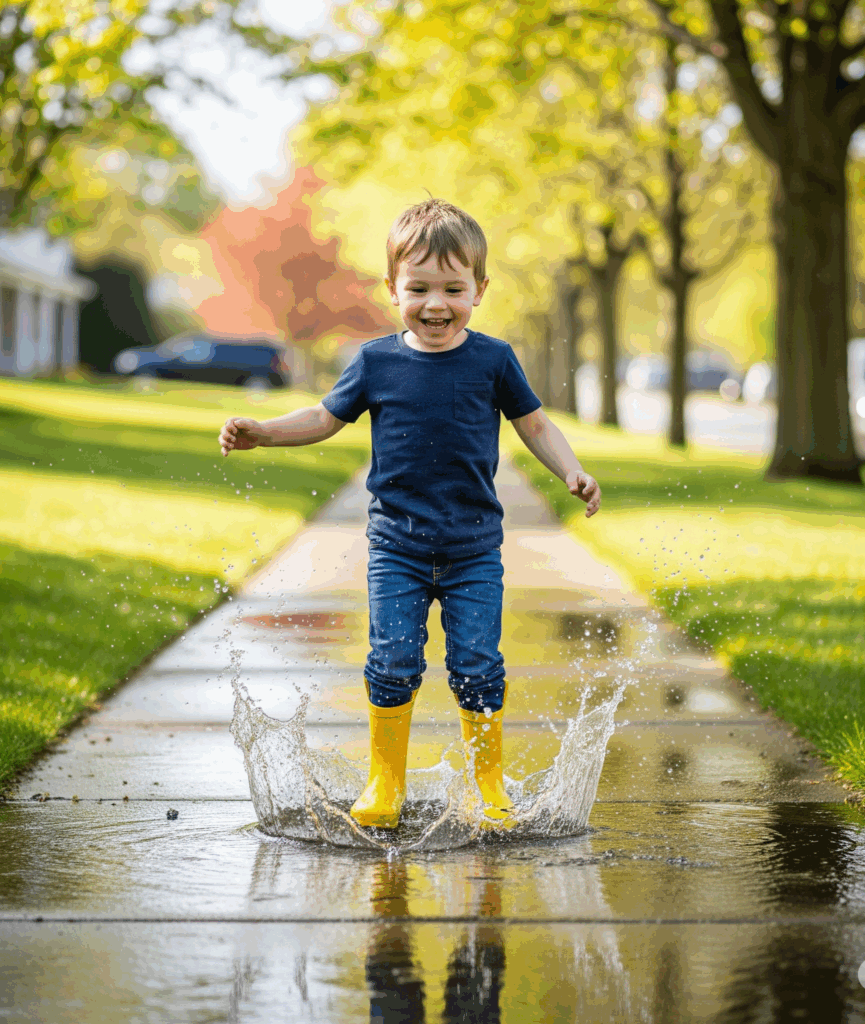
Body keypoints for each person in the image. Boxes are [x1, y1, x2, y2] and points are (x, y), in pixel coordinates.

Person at [218, 199, 600, 829]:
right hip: (396, 547)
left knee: (477, 663)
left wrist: (571, 471)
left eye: (453, 289)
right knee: (393, 658)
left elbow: (533, 422)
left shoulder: (494, 360)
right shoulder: (375, 362)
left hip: (474, 549)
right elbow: (322, 418)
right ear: (392, 288)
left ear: (479, 289)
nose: (436, 305)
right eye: (419, 288)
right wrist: (263, 430)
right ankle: (384, 782)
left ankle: (490, 787)